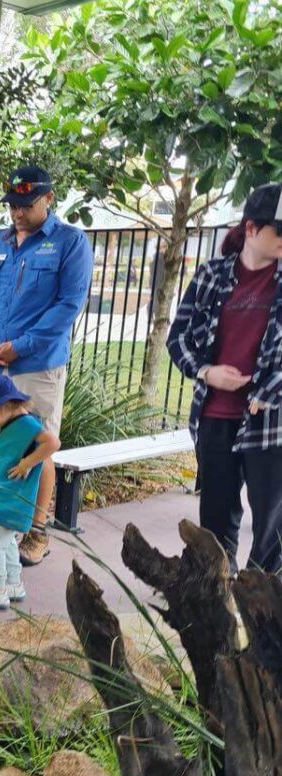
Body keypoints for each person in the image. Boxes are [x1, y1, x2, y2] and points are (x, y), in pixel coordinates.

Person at [0, 165, 94, 566]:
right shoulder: (0, 243)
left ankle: (37, 531)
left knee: (38, 445)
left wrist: (19, 348)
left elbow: (68, 305)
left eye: (26, 204)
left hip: (36, 364)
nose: (17, 213)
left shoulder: (70, 243)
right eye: (13, 205)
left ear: (49, 200)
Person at [168, 182, 282, 574]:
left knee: (272, 529)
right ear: (252, 229)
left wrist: (269, 390)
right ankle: (216, 608)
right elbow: (178, 337)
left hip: (270, 423)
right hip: (216, 416)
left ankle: (263, 610)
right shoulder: (211, 276)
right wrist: (205, 371)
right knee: (215, 525)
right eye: (279, 229)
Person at [0, 375, 60, 609]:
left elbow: (53, 443)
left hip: (7, 501)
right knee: (5, 543)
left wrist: (28, 463)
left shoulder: (27, 424)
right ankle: (13, 584)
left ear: (6, 406)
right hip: (2, 497)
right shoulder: (11, 422)